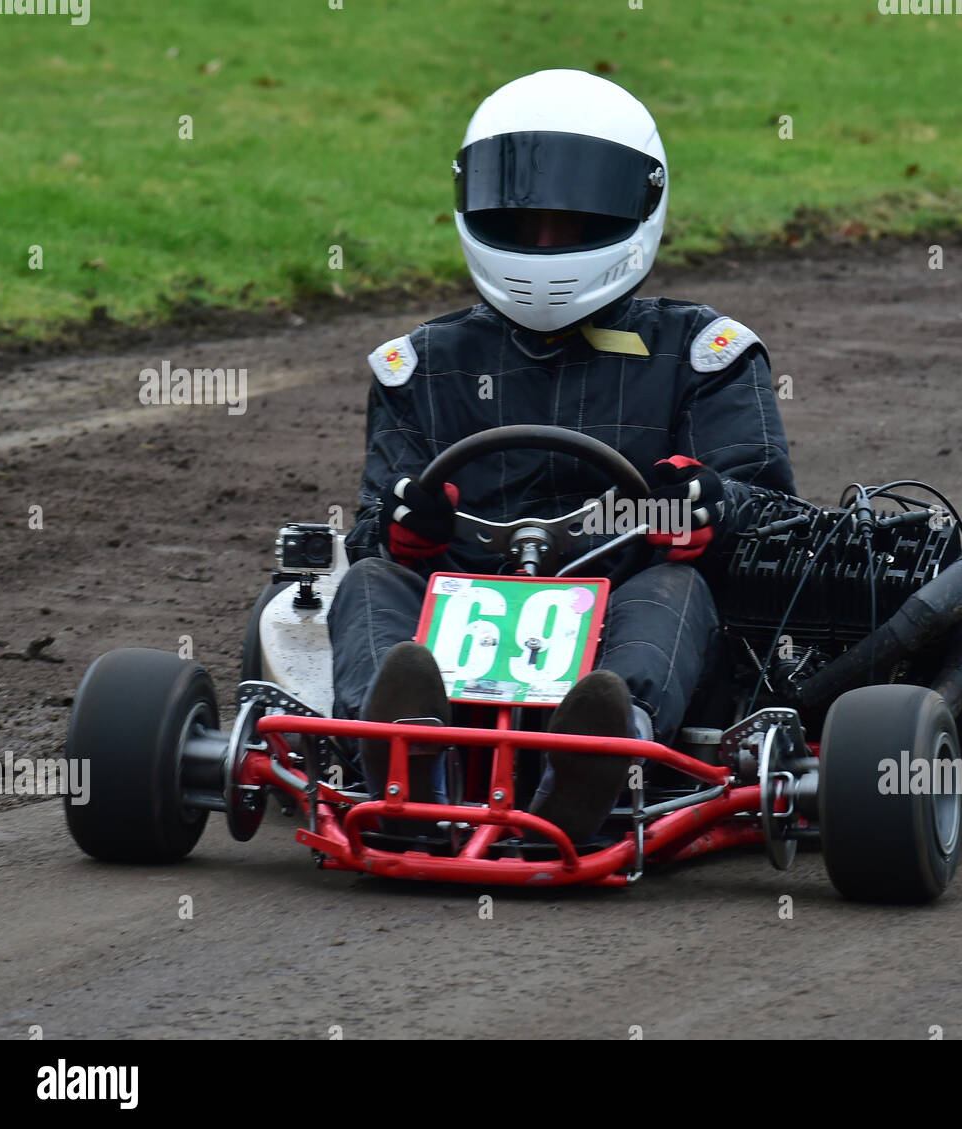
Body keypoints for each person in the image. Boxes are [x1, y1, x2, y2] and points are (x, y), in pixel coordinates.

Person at [328, 68, 795, 846]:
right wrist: (403, 526)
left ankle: (604, 752)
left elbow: (774, 521)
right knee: (371, 580)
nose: (545, 244)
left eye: (572, 222)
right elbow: (378, 526)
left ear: (640, 205)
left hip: (626, 603)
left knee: (677, 586)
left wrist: (713, 508)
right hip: (456, 619)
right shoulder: (420, 364)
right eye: (524, 220)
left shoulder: (705, 356)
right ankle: (410, 761)